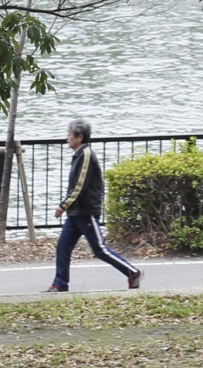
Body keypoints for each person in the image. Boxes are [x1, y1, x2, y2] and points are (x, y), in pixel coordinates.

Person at [45, 118, 142, 292]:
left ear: (79, 137)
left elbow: (80, 185)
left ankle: (133, 272)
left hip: (85, 211)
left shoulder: (86, 155)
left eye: (69, 134)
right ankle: (60, 283)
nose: (67, 137)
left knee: (99, 249)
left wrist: (63, 205)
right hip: (75, 213)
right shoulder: (79, 154)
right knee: (63, 247)